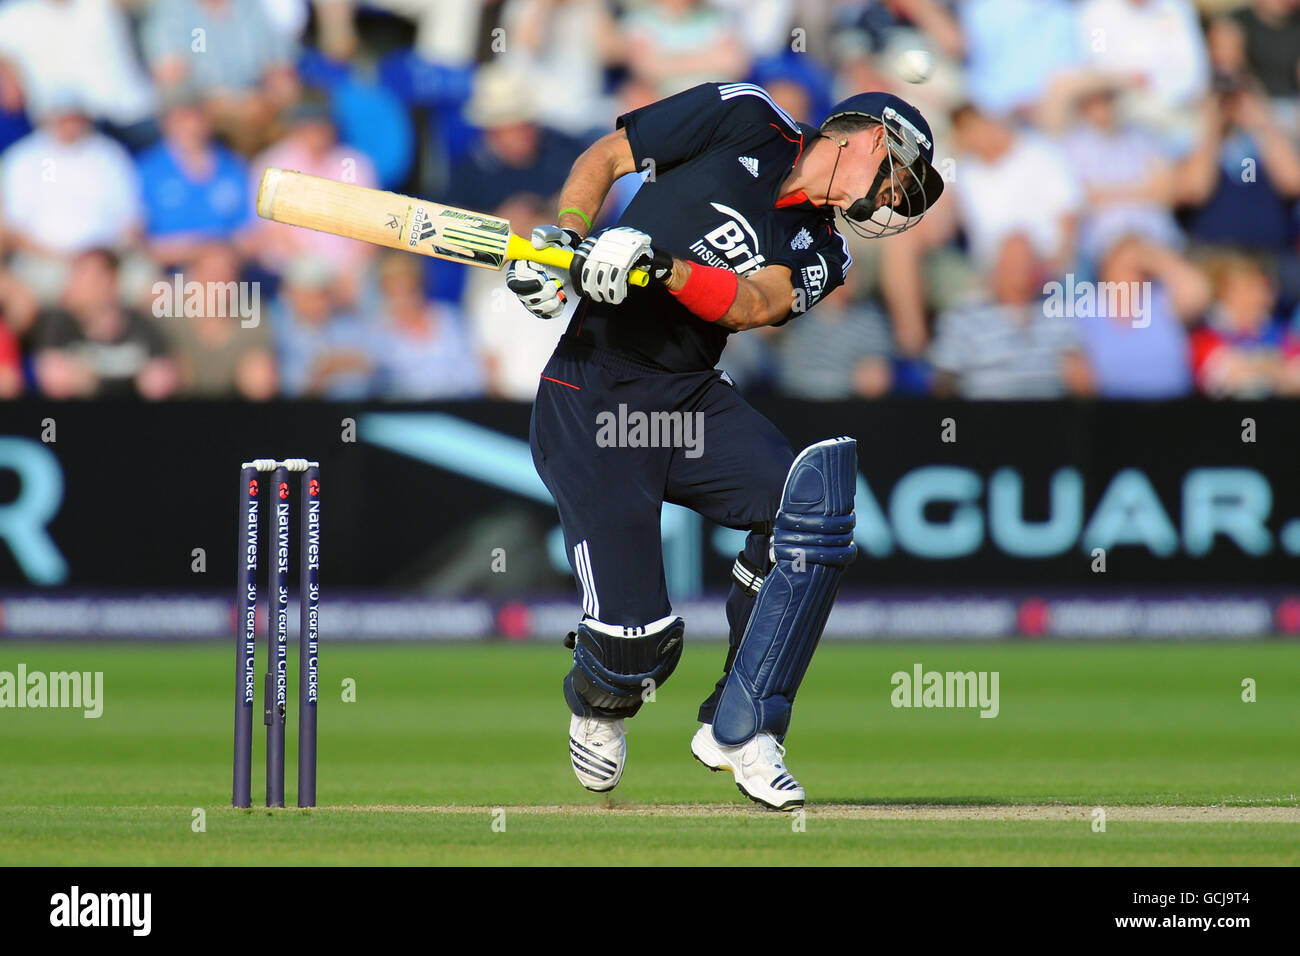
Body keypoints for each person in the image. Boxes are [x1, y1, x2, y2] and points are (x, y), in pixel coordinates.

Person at [507, 82, 944, 809]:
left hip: (685, 399)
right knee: (635, 652)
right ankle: (597, 699)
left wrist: (661, 267)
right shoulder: (747, 115)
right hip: (594, 400)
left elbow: (753, 304)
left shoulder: (825, 249)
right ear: (870, 138)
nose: (896, 202)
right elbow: (609, 153)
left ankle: (741, 728)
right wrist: (568, 237)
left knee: (813, 512)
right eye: (900, 180)